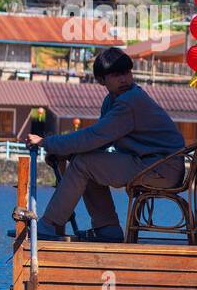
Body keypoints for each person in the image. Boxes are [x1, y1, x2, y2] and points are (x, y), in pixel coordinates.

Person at [24, 47, 186, 242]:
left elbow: (93, 137)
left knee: (84, 163)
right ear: (101, 80)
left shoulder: (130, 101)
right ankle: (107, 229)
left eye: (126, 73)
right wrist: (65, 153)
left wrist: (46, 142)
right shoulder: (112, 101)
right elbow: (99, 142)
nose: (124, 79)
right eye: (117, 75)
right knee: (84, 161)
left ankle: (49, 225)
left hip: (161, 168)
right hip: (150, 164)